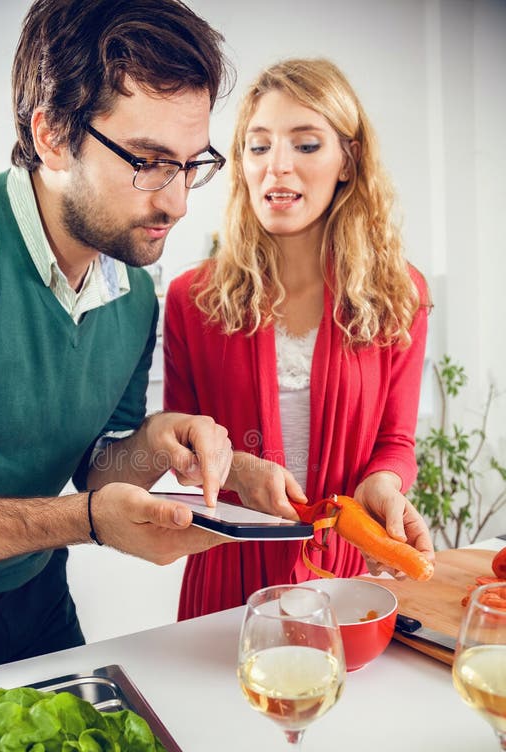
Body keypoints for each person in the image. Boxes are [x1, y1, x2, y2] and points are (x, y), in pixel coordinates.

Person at [0, 0, 237, 685]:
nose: (176, 201)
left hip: (38, 598)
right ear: (53, 135)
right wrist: (88, 520)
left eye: (190, 164)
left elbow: (97, 467)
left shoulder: (136, 288)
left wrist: (154, 443)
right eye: (148, 161)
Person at [163, 57, 435, 620]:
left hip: (349, 586)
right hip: (225, 582)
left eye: (306, 145)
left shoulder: (399, 294)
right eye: (258, 147)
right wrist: (237, 470)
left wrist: (383, 486)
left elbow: (396, 441)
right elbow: (177, 447)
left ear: (347, 160)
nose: (277, 167)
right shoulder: (192, 299)